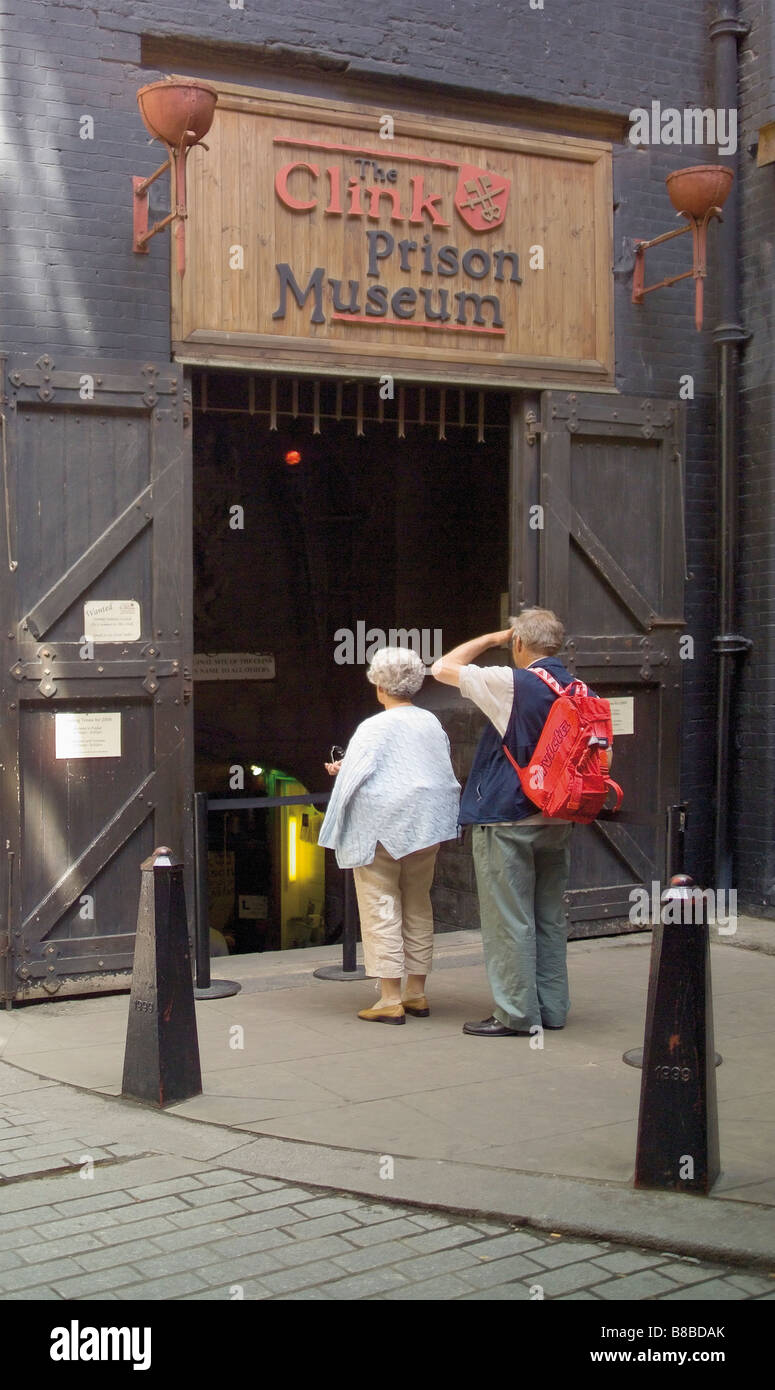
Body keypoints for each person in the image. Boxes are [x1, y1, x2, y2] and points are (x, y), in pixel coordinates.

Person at [432, 608, 592, 1038]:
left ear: (519, 644)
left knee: (509, 919)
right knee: (548, 917)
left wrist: (490, 637)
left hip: (508, 816)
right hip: (558, 815)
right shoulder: (577, 688)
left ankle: (516, 1014)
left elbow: (442, 667)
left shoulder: (511, 683)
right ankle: (553, 1008)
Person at [318, 646, 460, 1024]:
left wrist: (335, 813)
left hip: (381, 827)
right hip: (425, 827)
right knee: (418, 903)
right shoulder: (430, 722)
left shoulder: (372, 727)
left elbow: (354, 779)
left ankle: (389, 997)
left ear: (379, 685)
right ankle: (417, 991)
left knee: (380, 904)